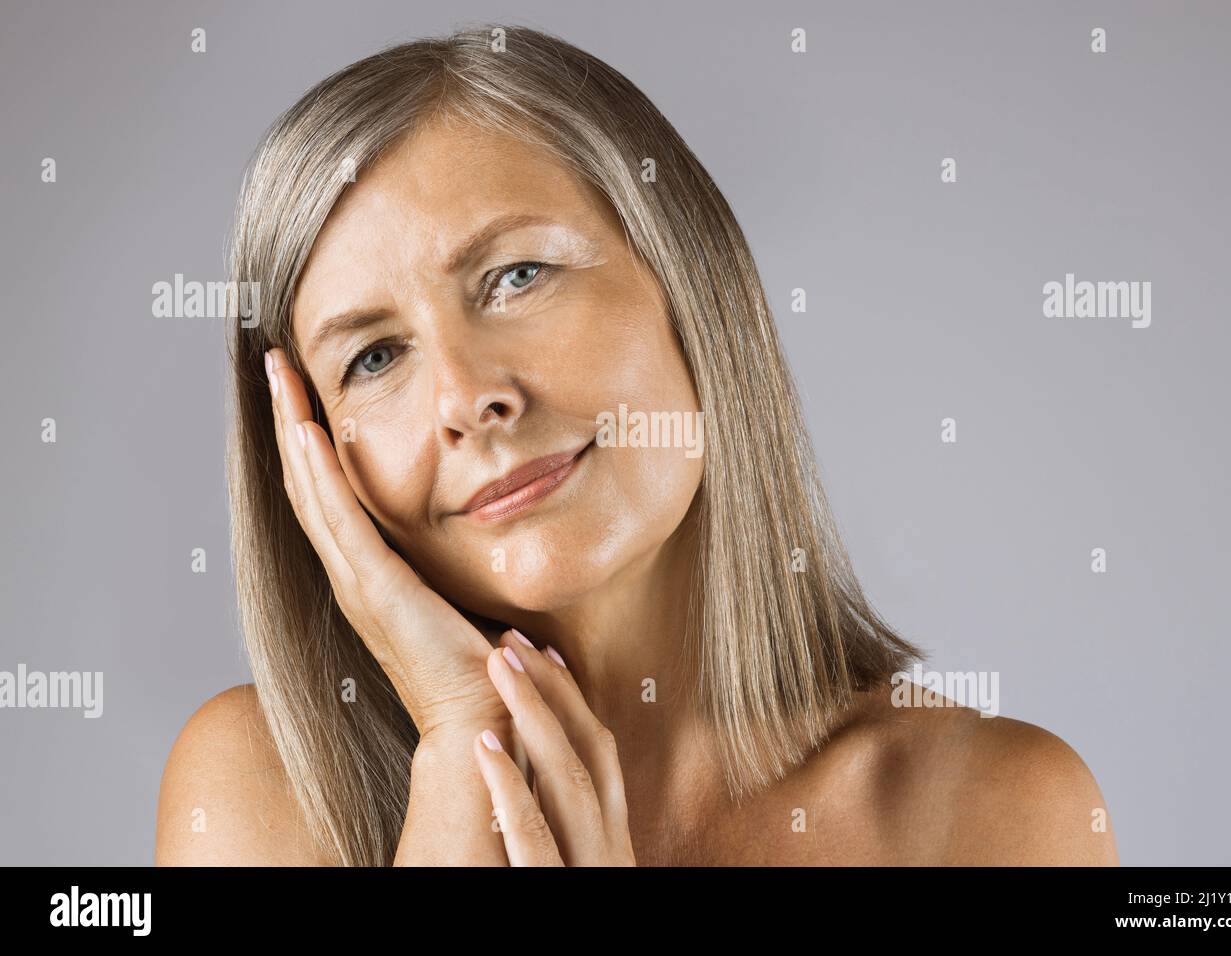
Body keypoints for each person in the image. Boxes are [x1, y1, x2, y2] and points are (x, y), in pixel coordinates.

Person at [155, 27, 1118, 866]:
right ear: (310, 451)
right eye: (373, 357)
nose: (466, 397)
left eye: (516, 275)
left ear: (690, 286)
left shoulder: (999, 810)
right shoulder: (256, 789)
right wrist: (460, 741)